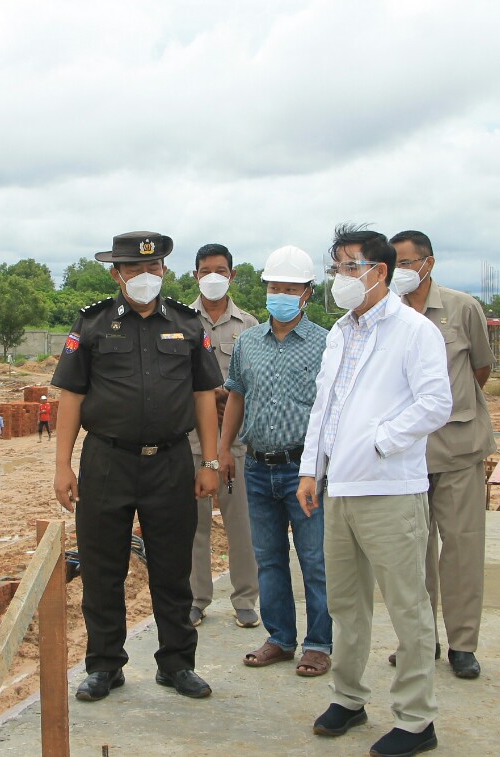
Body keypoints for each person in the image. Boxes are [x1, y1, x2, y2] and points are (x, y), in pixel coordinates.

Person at [296, 225, 451, 757]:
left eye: (349, 266)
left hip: (390, 490)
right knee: (345, 602)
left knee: (407, 606)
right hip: (339, 487)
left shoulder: (413, 330)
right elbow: (324, 406)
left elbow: (435, 403)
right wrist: (311, 470)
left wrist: (381, 441)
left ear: (378, 271)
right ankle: (348, 696)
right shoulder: (340, 331)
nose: (339, 277)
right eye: (336, 267)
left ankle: (416, 718)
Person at [51, 231, 224, 702]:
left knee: (172, 570)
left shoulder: (187, 324)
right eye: (134, 269)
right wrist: (63, 465)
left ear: (164, 270)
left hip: (170, 462)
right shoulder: (92, 324)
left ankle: (177, 664)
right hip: (107, 461)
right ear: (117, 274)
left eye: (153, 268)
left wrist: (210, 461)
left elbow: (204, 396)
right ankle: (105, 666)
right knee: (102, 570)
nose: (145, 276)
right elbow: (71, 397)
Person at [219, 245, 332, 676]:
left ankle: (318, 643)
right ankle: (281, 638)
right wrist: (224, 449)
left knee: (315, 560)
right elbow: (236, 396)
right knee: (268, 558)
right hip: (257, 466)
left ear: (307, 293)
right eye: (273, 287)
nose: (279, 295)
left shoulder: (326, 343)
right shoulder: (248, 342)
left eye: (289, 288)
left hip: (304, 470)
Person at [389, 230, 497, 680]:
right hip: (406, 454)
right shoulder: (386, 311)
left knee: (462, 548)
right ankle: (421, 639)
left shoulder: (462, 308)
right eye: (392, 263)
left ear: (427, 263)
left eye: (405, 262)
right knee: (411, 552)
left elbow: (480, 369)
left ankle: (463, 644)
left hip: (457, 449)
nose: (399, 271)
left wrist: (448, 410)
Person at [187, 242, 261, 630]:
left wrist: (229, 399)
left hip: (235, 443)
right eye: (205, 271)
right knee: (194, 523)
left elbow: (257, 381)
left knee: (240, 523)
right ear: (195, 275)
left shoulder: (249, 325)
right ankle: (196, 599)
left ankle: (245, 599)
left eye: (220, 270)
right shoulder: (180, 321)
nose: (212, 277)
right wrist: (206, 396)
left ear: (232, 275)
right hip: (192, 441)